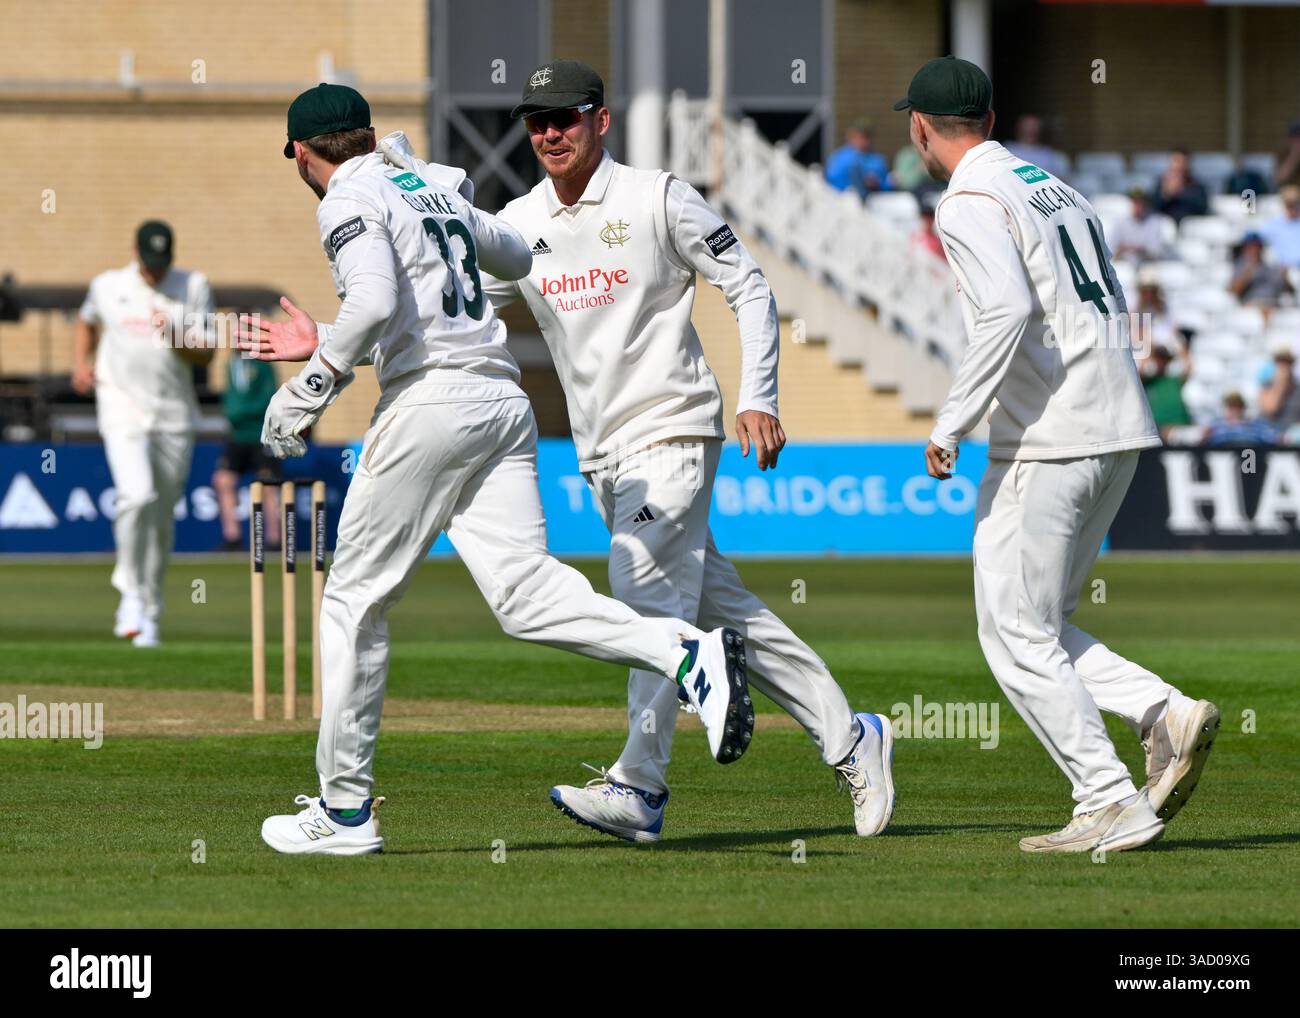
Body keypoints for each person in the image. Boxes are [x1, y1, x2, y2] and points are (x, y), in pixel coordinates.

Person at [242, 83, 756, 856]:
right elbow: (517, 253)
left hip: (429, 405)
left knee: (354, 602)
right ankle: (685, 651)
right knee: (524, 596)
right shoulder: (426, 184)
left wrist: (313, 382)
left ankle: (345, 812)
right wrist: (443, 197)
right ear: (370, 133)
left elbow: (378, 298)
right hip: (501, 401)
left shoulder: (343, 198)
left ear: (301, 154)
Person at [482, 60, 894, 842]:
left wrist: (758, 396)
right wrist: (336, 346)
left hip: (673, 428)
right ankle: (852, 738)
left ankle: (640, 786)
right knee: (720, 612)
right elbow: (452, 306)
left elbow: (748, 285)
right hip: (604, 457)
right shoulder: (520, 224)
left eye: (565, 118)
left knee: (640, 589)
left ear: (601, 121)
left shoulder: (658, 197)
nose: (549, 133)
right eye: (536, 121)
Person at [896, 55, 1219, 854]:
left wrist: (951, 424)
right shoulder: (1054, 188)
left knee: (1012, 631)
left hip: (1051, 438)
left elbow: (1002, 312)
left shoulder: (968, 198)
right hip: (1117, 423)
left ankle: (1107, 797)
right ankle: (1161, 713)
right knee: (1043, 623)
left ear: (919, 128)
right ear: (993, 121)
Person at [73, 221, 215, 647]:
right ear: (134, 251)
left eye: (162, 263)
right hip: (121, 408)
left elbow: (206, 352)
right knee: (136, 496)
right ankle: (131, 594)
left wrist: (174, 333)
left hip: (173, 416)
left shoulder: (194, 285)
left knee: (160, 519)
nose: (154, 272)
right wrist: (81, 363)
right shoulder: (107, 285)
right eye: (148, 262)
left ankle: (150, 610)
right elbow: (86, 321)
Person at [213, 352, 281, 551]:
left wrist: (241, 412)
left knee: (267, 485)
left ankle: (274, 539)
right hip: (237, 435)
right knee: (223, 480)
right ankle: (232, 538)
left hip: (261, 434)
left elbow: (269, 396)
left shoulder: (263, 364)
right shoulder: (231, 364)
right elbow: (229, 395)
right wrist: (230, 412)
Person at [824, 119, 892, 198]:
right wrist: (860, 180)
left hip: (874, 201)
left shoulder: (878, 159)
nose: (864, 140)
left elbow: (887, 184)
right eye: (860, 136)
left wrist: (878, 183)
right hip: (845, 201)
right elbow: (832, 181)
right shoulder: (840, 157)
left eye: (867, 136)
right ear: (851, 136)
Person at [1228, 232, 1293, 307]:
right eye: (1251, 246)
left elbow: (1289, 293)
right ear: (1244, 248)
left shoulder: (1271, 267)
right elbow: (1233, 292)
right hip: (1251, 308)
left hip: (1274, 306)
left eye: (1257, 246)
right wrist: (1248, 273)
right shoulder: (1239, 266)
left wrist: (1285, 278)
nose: (1254, 249)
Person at [1107, 187, 1171, 263]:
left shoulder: (1154, 222)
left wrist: (1139, 250)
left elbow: (1156, 252)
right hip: (1123, 264)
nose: (1138, 206)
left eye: (1141, 202)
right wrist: (1124, 249)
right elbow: (1110, 251)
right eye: (1135, 202)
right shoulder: (1119, 221)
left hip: (1146, 265)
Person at [1004, 113, 1068, 181]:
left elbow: (1059, 180)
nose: (1031, 129)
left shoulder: (1048, 153)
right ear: (1018, 128)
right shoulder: (1007, 149)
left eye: (1035, 126)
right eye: (1027, 126)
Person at [1153, 149, 1208, 224]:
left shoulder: (1197, 185)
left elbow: (1202, 208)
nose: (1178, 166)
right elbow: (1154, 208)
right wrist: (1167, 195)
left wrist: (1180, 192)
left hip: (1190, 228)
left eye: (1182, 162)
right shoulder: (1161, 184)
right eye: (1175, 161)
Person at [1205, 391, 1278, 446]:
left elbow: (1273, 439)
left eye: (1238, 406)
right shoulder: (1216, 426)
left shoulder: (1256, 426)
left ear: (1243, 407)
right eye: (1231, 406)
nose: (1235, 410)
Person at [1258, 348, 1300, 430]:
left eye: (1287, 363)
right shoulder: (1266, 386)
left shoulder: (1297, 388)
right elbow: (1270, 409)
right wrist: (1280, 385)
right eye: (1280, 363)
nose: (1283, 367)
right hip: (1269, 433)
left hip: (1292, 435)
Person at [1259, 184, 1300, 268]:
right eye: (1289, 204)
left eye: (1294, 203)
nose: (1292, 207)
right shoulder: (1274, 224)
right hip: (1283, 271)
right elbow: (1256, 236)